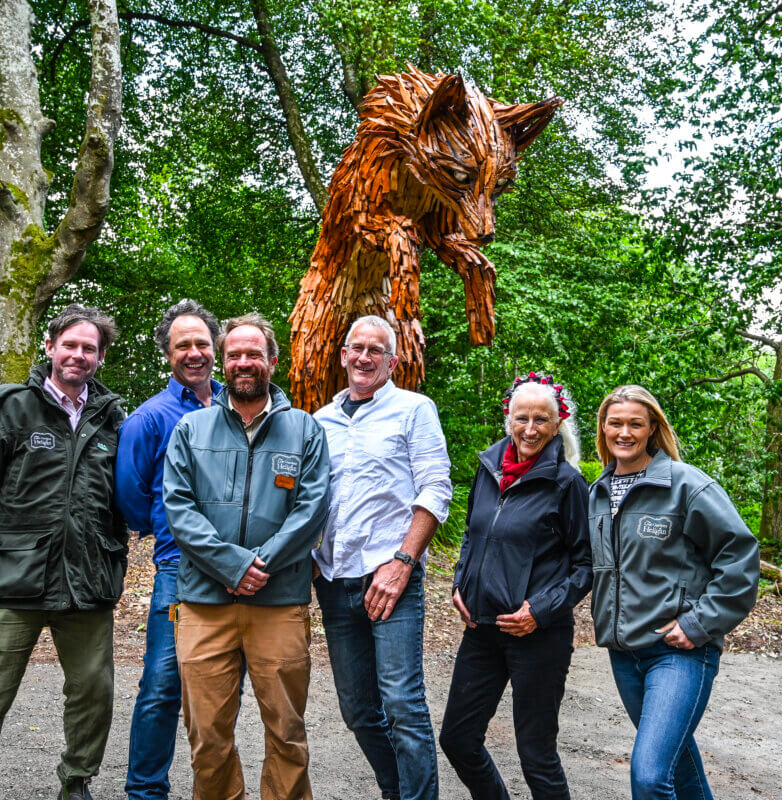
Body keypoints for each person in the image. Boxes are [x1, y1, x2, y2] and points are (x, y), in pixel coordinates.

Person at [0, 305, 127, 800]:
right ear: (50, 348)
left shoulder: (113, 419)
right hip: (12, 577)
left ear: (100, 357)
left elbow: (127, 500)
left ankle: (76, 783)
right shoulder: (10, 408)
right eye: (70, 345)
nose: (78, 355)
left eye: (89, 348)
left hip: (87, 579)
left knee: (93, 693)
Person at [163, 312, 330, 800]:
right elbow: (178, 507)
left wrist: (260, 566)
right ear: (222, 361)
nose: (243, 363)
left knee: (287, 735)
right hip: (204, 604)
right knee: (207, 738)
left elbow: (311, 509)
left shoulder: (305, 431)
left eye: (253, 354)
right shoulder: (191, 430)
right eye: (234, 354)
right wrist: (232, 566)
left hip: (278, 602)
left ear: (272, 362)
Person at [589, 385, 759, 800]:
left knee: (649, 777)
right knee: (679, 768)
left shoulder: (687, 486)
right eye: (616, 423)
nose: (624, 432)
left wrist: (699, 623)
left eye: (635, 424)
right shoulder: (597, 492)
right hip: (624, 653)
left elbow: (739, 557)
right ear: (603, 429)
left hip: (679, 652)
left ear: (652, 429)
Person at [313, 315, 452, 800]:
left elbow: (436, 488)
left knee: (402, 703)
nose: (364, 357)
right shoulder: (319, 421)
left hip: (391, 576)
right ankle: (399, 791)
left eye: (376, 350)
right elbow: (310, 498)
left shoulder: (414, 409)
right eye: (357, 348)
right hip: (333, 579)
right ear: (344, 355)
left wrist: (403, 562)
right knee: (357, 708)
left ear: (392, 361)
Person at [439, 372, 592, 800]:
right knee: (457, 739)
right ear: (508, 418)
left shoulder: (567, 483)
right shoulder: (488, 469)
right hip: (482, 629)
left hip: (538, 635)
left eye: (541, 420)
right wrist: (460, 580)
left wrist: (539, 611)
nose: (530, 428)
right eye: (521, 417)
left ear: (557, 423)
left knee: (535, 753)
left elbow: (586, 565)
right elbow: (473, 534)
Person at [116, 300, 222, 800]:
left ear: (216, 348)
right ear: (167, 354)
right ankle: (145, 791)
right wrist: (168, 531)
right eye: (184, 345)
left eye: (202, 343)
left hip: (239, 568)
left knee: (222, 687)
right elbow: (131, 497)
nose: (195, 353)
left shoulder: (235, 405)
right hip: (179, 568)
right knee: (162, 684)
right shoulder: (148, 418)